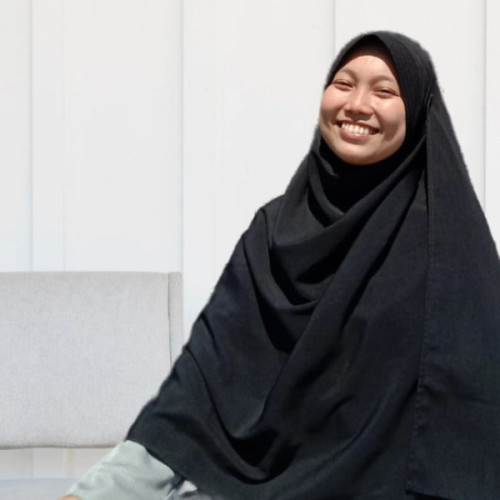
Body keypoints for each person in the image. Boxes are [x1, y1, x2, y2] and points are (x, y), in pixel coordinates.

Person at [59, 31, 500, 500]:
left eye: (384, 91)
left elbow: (470, 410)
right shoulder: (275, 231)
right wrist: (99, 492)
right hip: (257, 487)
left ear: (416, 111)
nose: (357, 105)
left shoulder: (445, 248)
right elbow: (198, 391)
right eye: (343, 84)